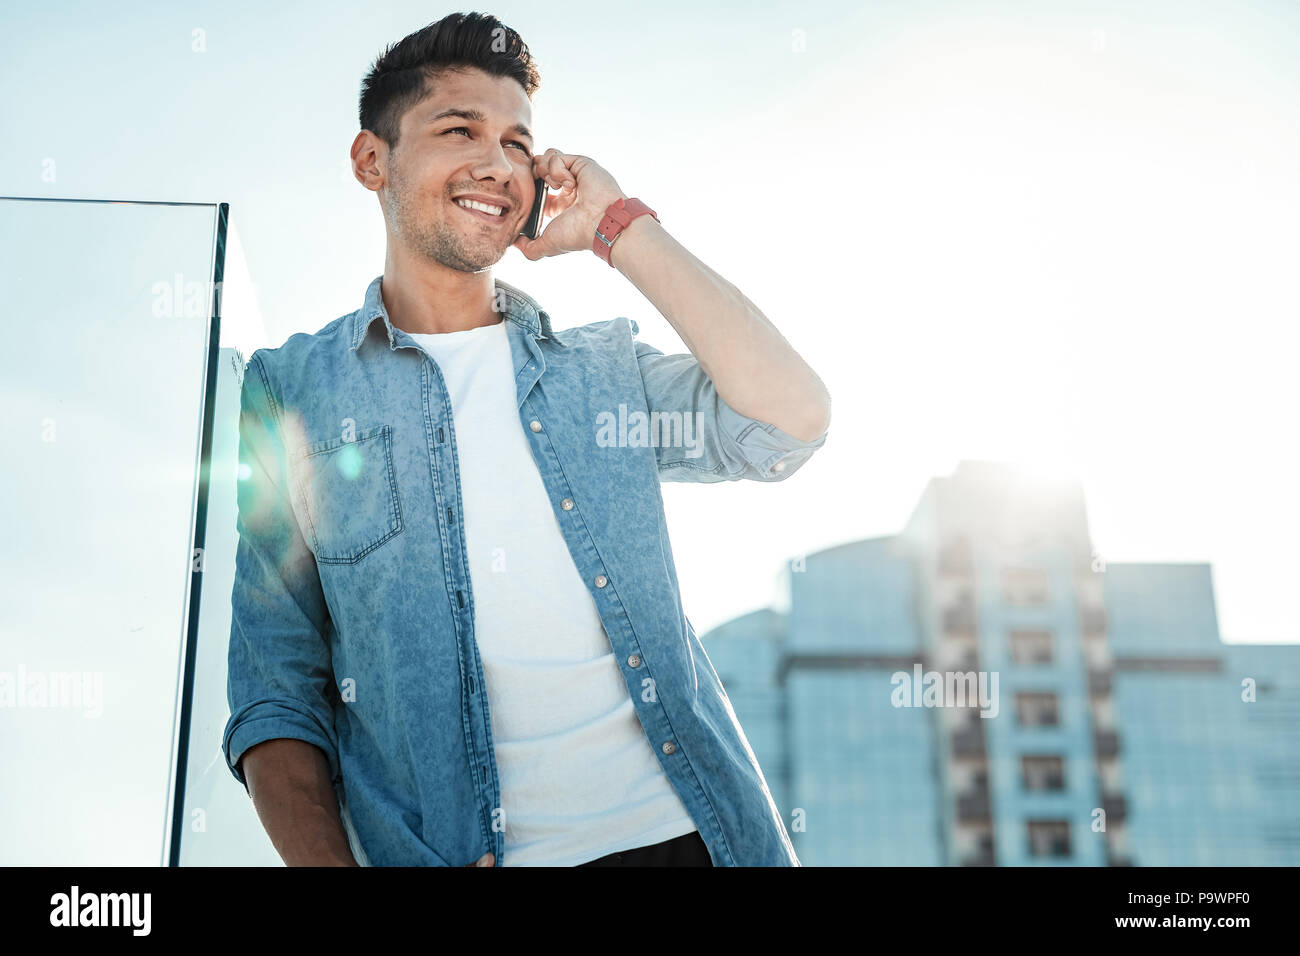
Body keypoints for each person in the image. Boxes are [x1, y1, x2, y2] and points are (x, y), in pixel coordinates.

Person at [222, 11, 831, 867]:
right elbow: (276, 690)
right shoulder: (291, 390)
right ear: (373, 161)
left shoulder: (600, 372)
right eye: (458, 129)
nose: (497, 164)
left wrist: (618, 226)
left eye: (517, 142)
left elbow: (789, 420)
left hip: (698, 845)